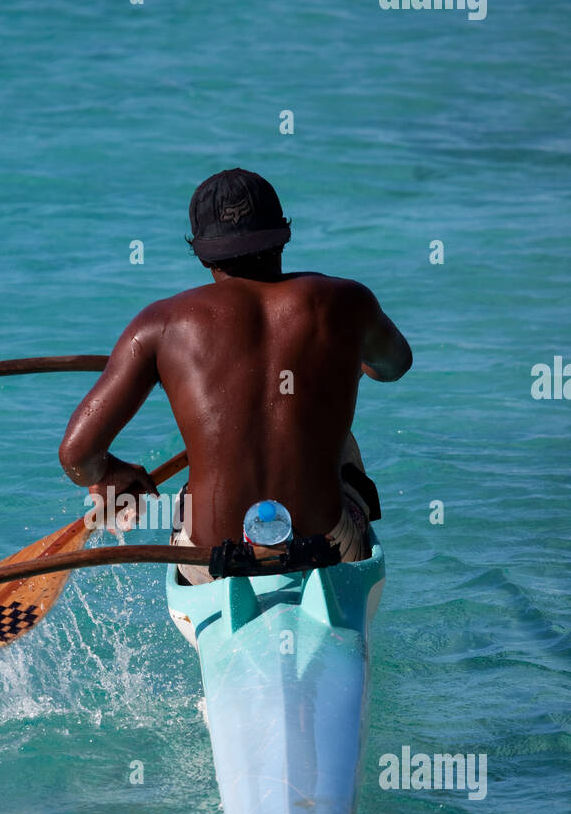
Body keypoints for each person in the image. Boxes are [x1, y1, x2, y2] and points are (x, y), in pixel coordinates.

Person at [58, 167, 412, 583]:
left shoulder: (160, 324)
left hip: (211, 562)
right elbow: (394, 366)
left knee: (195, 491)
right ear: (283, 234)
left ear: (202, 253)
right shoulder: (347, 300)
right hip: (324, 548)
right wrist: (347, 360)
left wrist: (110, 473)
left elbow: (77, 457)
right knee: (342, 446)